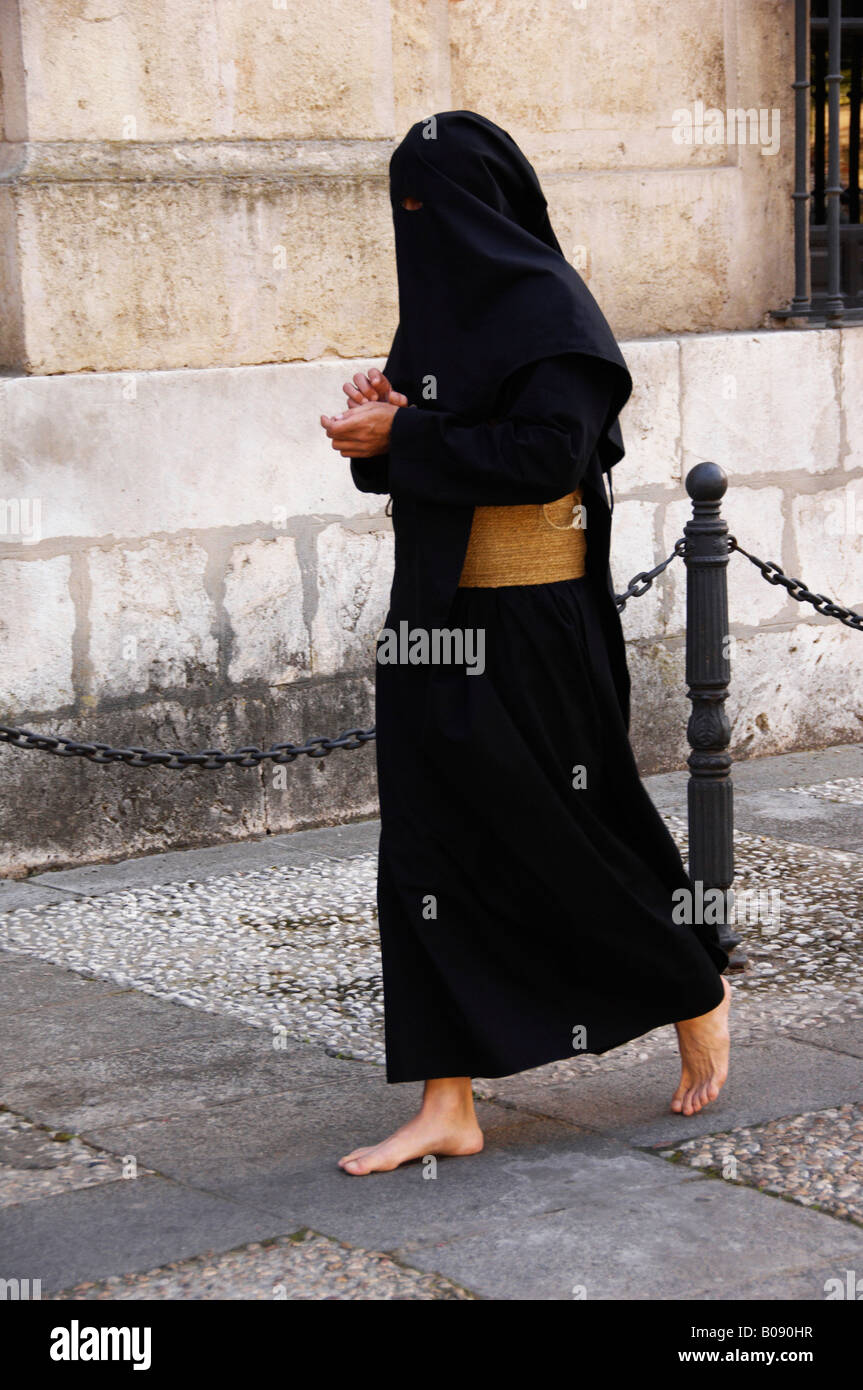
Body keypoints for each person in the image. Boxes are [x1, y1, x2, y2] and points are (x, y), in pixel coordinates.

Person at [320, 111, 730, 1177]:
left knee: (561, 834)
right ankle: (447, 1099)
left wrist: (407, 434)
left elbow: (546, 453)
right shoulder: (438, 319)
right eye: (400, 209)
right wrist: (381, 422)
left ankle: (694, 985)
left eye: (428, 206)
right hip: (432, 623)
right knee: (425, 849)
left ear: (476, 205)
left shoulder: (552, 308)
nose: (416, 228)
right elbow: (427, 457)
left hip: (530, 629)